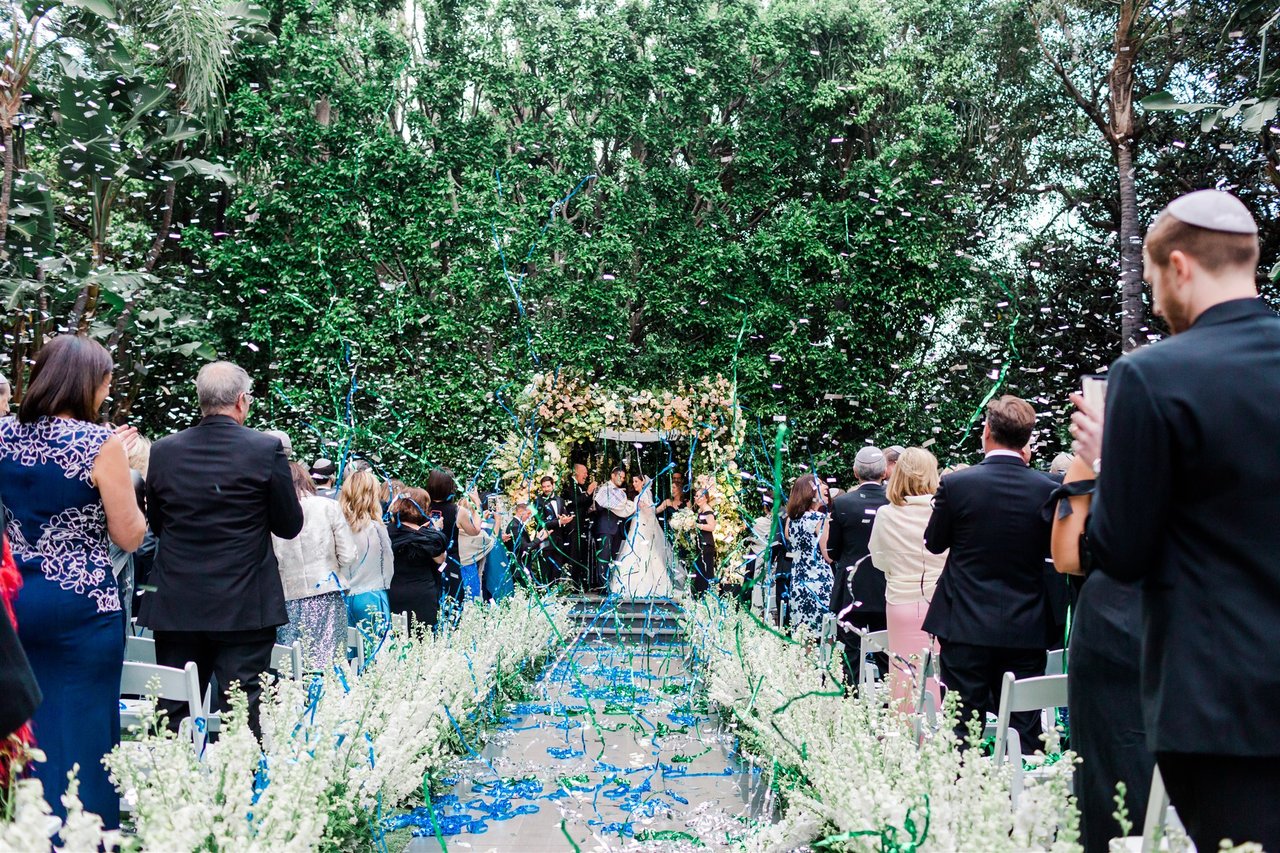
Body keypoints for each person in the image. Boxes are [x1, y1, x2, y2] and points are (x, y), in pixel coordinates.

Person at [1071, 190, 1280, 852]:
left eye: (1156, 283)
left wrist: (1107, 459)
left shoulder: (1152, 377)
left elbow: (1120, 550)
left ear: (1181, 266)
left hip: (1218, 705)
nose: (1157, 303)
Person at [0, 335, 146, 828]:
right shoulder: (100, 444)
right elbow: (129, 536)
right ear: (89, 385)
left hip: (17, 601)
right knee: (83, 729)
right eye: (106, 384)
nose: (106, 394)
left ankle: (23, 828)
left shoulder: (3, 436)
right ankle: (81, 833)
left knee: (24, 724)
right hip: (82, 604)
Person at [141, 361, 303, 738]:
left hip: (177, 602)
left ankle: (173, 788)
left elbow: (159, 524)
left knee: (174, 710)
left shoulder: (164, 451)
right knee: (241, 711)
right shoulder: (265, 449)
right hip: (245, 602)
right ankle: (240, 791)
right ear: (242, 401)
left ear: (201, 402)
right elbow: (289, 525)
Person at [923, 395, 1057, 749]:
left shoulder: (957, 485)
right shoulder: (1048, 490)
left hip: (963, 623)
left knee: (961, 729)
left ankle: (963, 798)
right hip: (1026, 626)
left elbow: (934, 544)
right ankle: (1020, 798)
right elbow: (1053, 554)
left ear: (986, 432)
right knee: (1024, 731)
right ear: (1026, 439)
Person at [1048, 454, 1151, 852]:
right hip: (1208, 623)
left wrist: (1081, 471)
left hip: (1119, 626)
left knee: (1116, 776)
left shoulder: (1099, 456)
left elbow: (1066, 557)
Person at [868, 448, 947, 714]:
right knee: (939, 675)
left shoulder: (886, 514)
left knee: (903, 676)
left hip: (900, 601)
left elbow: (878, 559)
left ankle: (905, 739)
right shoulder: (943, 512)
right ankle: (937, 736)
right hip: (940, 602)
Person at [273, 462, 356, 670]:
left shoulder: (271, 514)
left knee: (292, 667)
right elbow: (348, 555)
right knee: (331, 664)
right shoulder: (329, 507)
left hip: (288, 597)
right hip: (327, 593)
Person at [827, 446, 890, 684]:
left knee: (850, 651)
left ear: (855, 472)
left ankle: (851, 698)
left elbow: (832, 550)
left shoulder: (843, 503)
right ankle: (888, 706)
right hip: (885, 586)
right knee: (886, 653)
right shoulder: (894, 500)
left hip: (852, 588)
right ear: (884, 472)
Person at [340, 468, 395, 632]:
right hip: (371, 596)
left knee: (347, 654)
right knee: (376, 652)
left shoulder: (337, 528)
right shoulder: (376, 529)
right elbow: (388, 568)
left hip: (342, 599)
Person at [387, 487, 448, 629]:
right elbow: (440, 560)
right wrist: (436, 531)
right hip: (421, 594)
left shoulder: (388, 531)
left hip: (394, 591)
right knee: (422, 638)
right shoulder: (428, 537)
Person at [425, 469, 482, 606]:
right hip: (450, 562)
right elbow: (475, 531)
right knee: (452, 603)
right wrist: (477, 506)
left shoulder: (423, 507)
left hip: (427, 560)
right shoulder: (458, 511)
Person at [612, 475, 675, 599]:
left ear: (642, 483)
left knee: (643, 553)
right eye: (633, 481)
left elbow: (650, 512)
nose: (634, 484)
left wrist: (644, 508)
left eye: (636, 481)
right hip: (636, 526)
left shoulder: (643, 495)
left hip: (642, 528)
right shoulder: (640, 495)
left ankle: (644, 585)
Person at [783, 475, 831, 634]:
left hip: (799, 583)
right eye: (820, 486)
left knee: (804, 636)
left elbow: (789, 538)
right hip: (820, 582)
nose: (825, 488)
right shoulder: (820, 519)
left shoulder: (791, 520)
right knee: (826, 634)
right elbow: (828, 555)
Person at [593, 467, 633, 589]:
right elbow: (598, 507)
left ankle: (611, 585)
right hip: (606, 527)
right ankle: (603, 587)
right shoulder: (604, 489)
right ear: (612, 476)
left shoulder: (621, 492)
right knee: (604, 557)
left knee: (614, 559)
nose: (622, 479)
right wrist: (610, 502)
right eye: (619, 476)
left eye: (623, 477)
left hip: (617, 529)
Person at [533, 475, 573, 584]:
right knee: (546, 568)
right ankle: (547, 591)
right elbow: (540, 522)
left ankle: (555, 591)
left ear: (553, 485)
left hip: (559, 539)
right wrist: (559, 522)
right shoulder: (537, 502)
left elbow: (563, 514)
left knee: (557, 568)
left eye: (548, 486)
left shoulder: (560, 500)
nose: (546, 489)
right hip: (546, 540)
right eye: (544, 487)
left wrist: (565, 518)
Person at [691, 487, 717, 597]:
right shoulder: (699, 510)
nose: (697, 498)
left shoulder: (707, 510)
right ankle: (701, 594)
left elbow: (712, 527)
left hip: (706, 545)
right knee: (700, 570)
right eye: (696, 496)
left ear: (705, 498)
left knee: (706, 571)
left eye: (700, 496)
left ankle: (708, 595)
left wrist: (697, 525)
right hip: (700, 544)